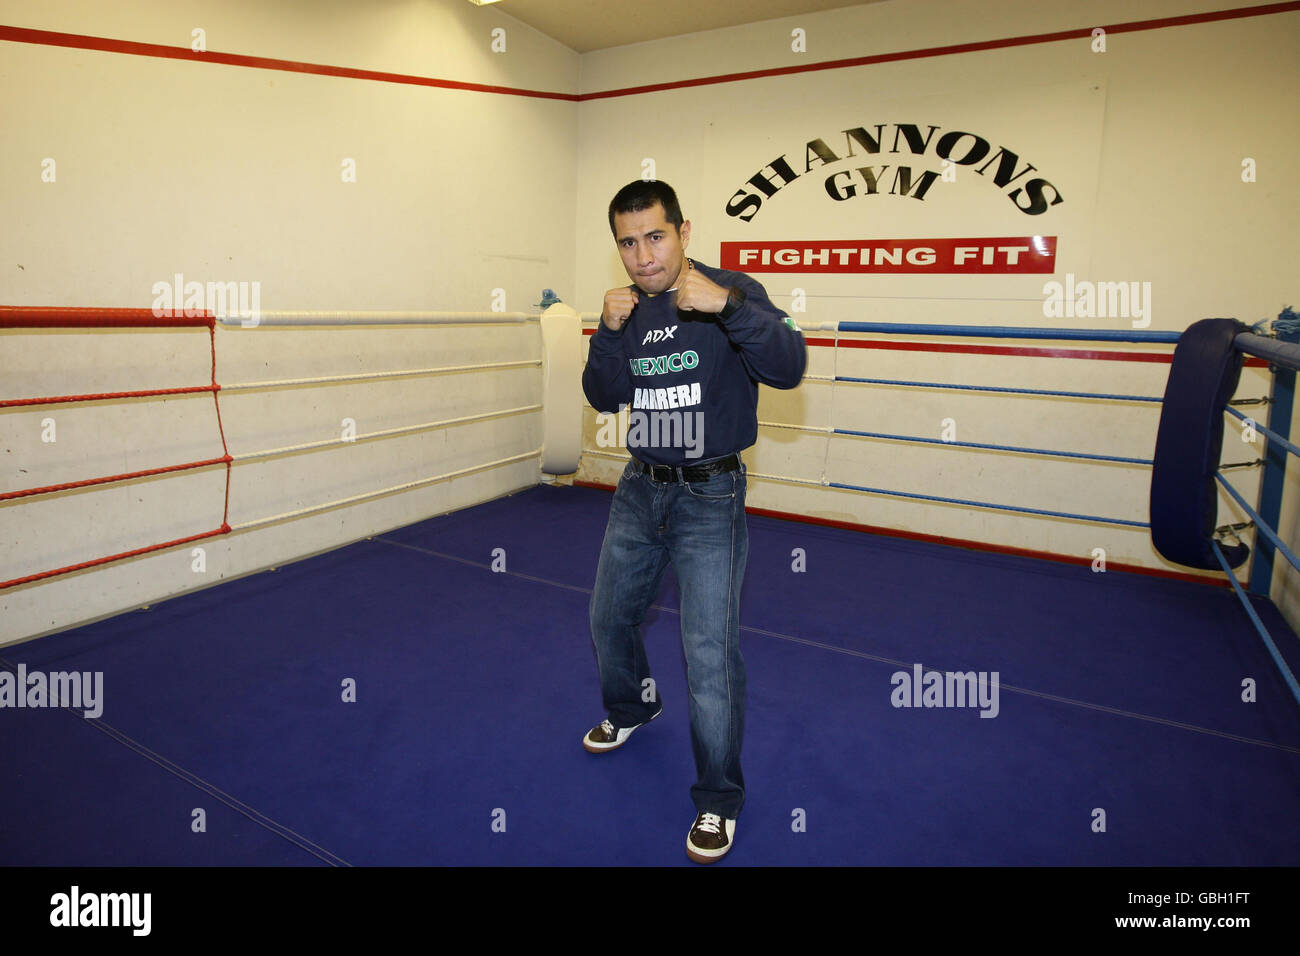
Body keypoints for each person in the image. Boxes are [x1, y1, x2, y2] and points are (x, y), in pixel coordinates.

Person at [581, 179, 807, 862]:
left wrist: (730, 307)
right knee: (608, 617)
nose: (644, 255)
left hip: (710, 496)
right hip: (639, 488)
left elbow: (790, 365)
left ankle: (717, 799)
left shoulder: (733, 291)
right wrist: (607, 332)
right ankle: (631, 708)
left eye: (656, 236)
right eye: (628, 241)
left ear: (684, 230)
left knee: (709, 654)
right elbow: (605, 393)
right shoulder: (627, 308)